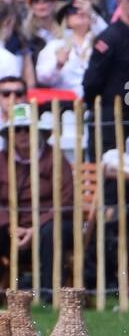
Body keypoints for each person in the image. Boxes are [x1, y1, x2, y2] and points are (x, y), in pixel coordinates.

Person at [0, 101, 74, 297]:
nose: (23, 134)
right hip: (12, 228)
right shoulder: (1, 160)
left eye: (27, 129)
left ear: (37, 131)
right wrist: (10, 226)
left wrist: (35, 228)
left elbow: (67, 201)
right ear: (10, 134)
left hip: (48, 223)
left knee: (51, 231)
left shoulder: (54, 157)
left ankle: (49, 294)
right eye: (18, 129)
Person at [81, 0, 129, 156]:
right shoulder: (110, 37)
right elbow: (92, 81)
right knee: (109, 178)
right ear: (119, 1)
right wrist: (104, 108)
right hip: (109, 120)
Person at [35, 0, 101, 93]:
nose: (80, 12)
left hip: (98, 100)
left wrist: (93, 14)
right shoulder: (55, 45)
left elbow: (112, 38)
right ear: (66, 19)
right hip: (67, 103)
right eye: (73, 11)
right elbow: (42, 77)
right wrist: (57, 64)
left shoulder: (102, 42)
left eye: (85, 10)